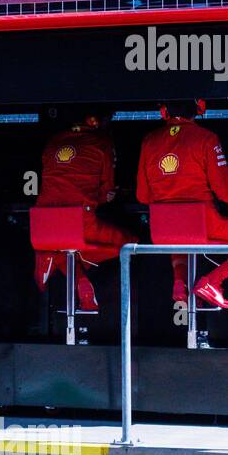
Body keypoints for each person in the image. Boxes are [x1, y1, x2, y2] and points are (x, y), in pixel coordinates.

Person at [137, 100, 228, 309]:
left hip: (163, 230)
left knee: (178, 236)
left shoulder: (148, 141)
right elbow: (227, 194)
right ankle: (213, 281)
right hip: (205, 224)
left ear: (164, 112)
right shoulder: (207, 139)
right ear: (199, 109)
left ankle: (179, 282)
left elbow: (142, 196)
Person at [33, 112, 138, 311]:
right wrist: (103, 197)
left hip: (43, 222)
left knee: (66, 247)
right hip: (79, 222)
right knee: (132, 243)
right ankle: (56, 257)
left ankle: (77, 280)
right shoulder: (102, 142)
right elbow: (107, 189)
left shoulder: (54, 140)